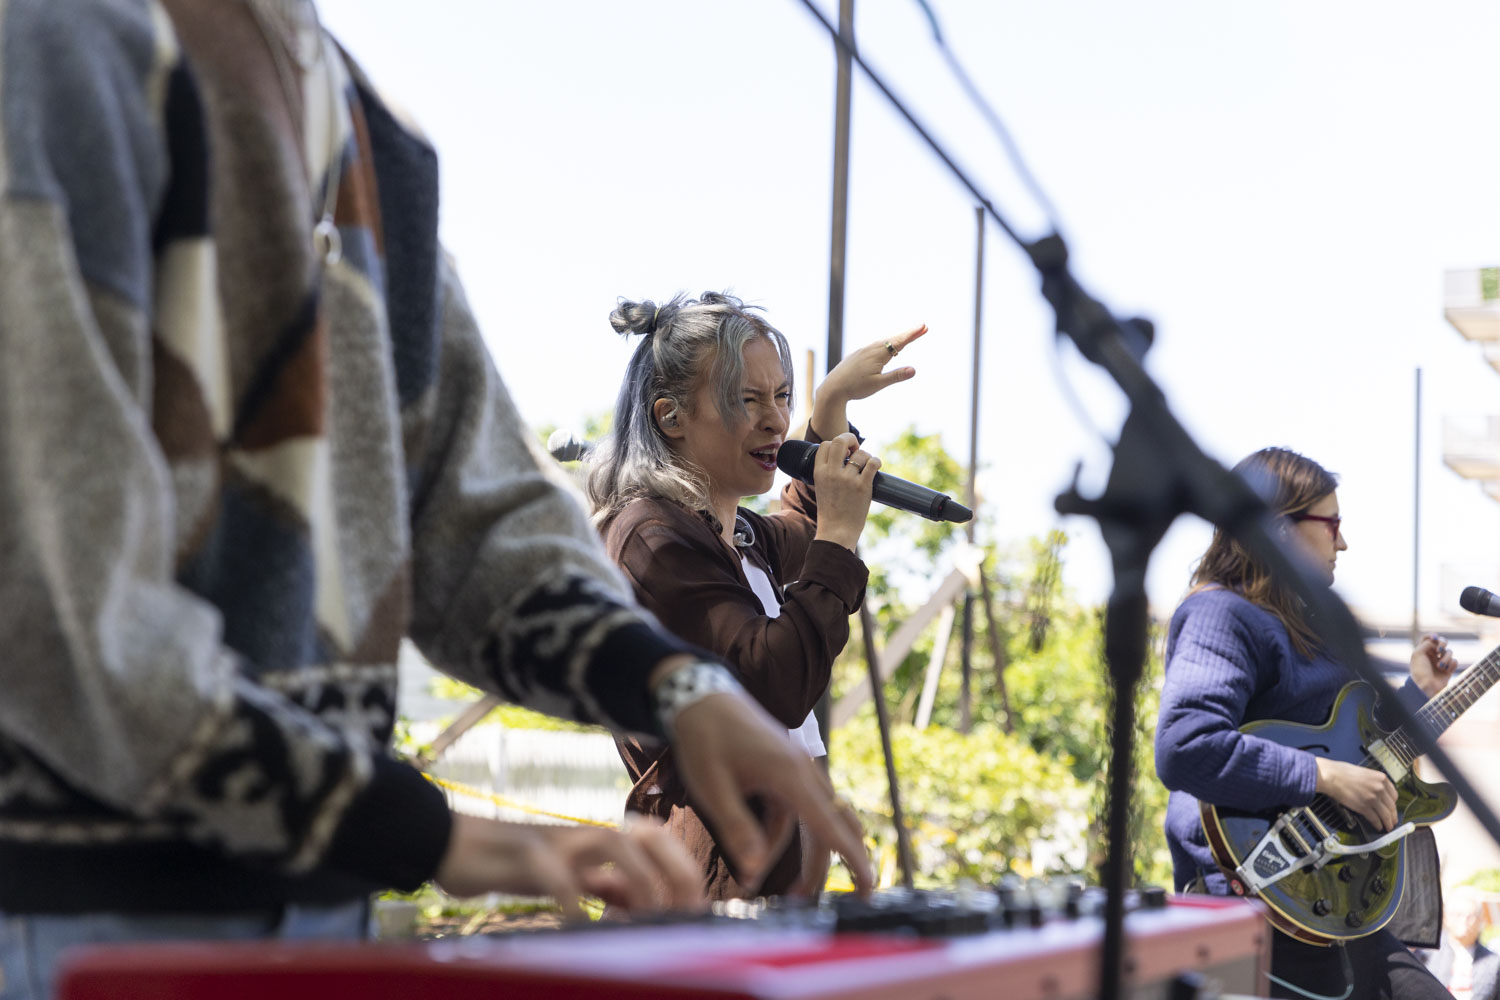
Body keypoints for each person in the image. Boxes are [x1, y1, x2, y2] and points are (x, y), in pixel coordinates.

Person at [0, 2, 870, 996]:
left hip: (321, 906)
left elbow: (483, 527)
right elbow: (55, 608)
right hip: (81, 914)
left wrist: (679, 686)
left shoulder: (371, 131)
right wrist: (432, 831)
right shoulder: (63, 39)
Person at [585, 291, 924, 899]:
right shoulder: (650, 538)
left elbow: (801, 519)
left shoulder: (733, 532)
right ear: (671, 417)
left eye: (782, 396)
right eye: (747, 400)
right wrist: (841, 538)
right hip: (706, 895)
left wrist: (830, 405)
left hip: (769, 885)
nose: (774, 420)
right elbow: (772, 686)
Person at [1154, 447, 1458, 999]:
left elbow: (1367, 756)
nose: (1343, 542)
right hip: (1256, 905)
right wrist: (1326, 778)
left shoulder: (1317, 632)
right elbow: (1184, 744)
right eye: (1333, 524)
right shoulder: (1221, 613)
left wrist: (1421, 693)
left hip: (1338, 906)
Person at [1421, 885, 1500, 999]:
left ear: (1480, 919)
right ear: (1446, 918)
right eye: (1458, 915)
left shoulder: (1493, 963)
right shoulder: (1428, 954)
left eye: (1470, 916)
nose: (1463, 921)